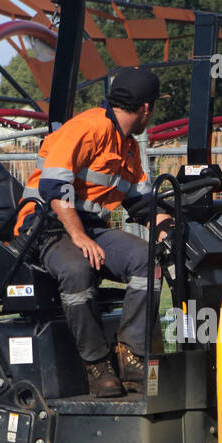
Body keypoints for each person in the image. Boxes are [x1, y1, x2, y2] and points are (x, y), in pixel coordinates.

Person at [13, 66, 160, 397]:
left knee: (147, 261)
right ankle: (96, 364)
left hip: (89, 229)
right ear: (146, 108)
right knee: (77, 269)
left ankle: (131, 354)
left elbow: (142, 205)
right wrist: (78, 238)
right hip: (45, 227)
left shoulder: (129, 148)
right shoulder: (88, 128)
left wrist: (170, 230)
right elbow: (54, 186)